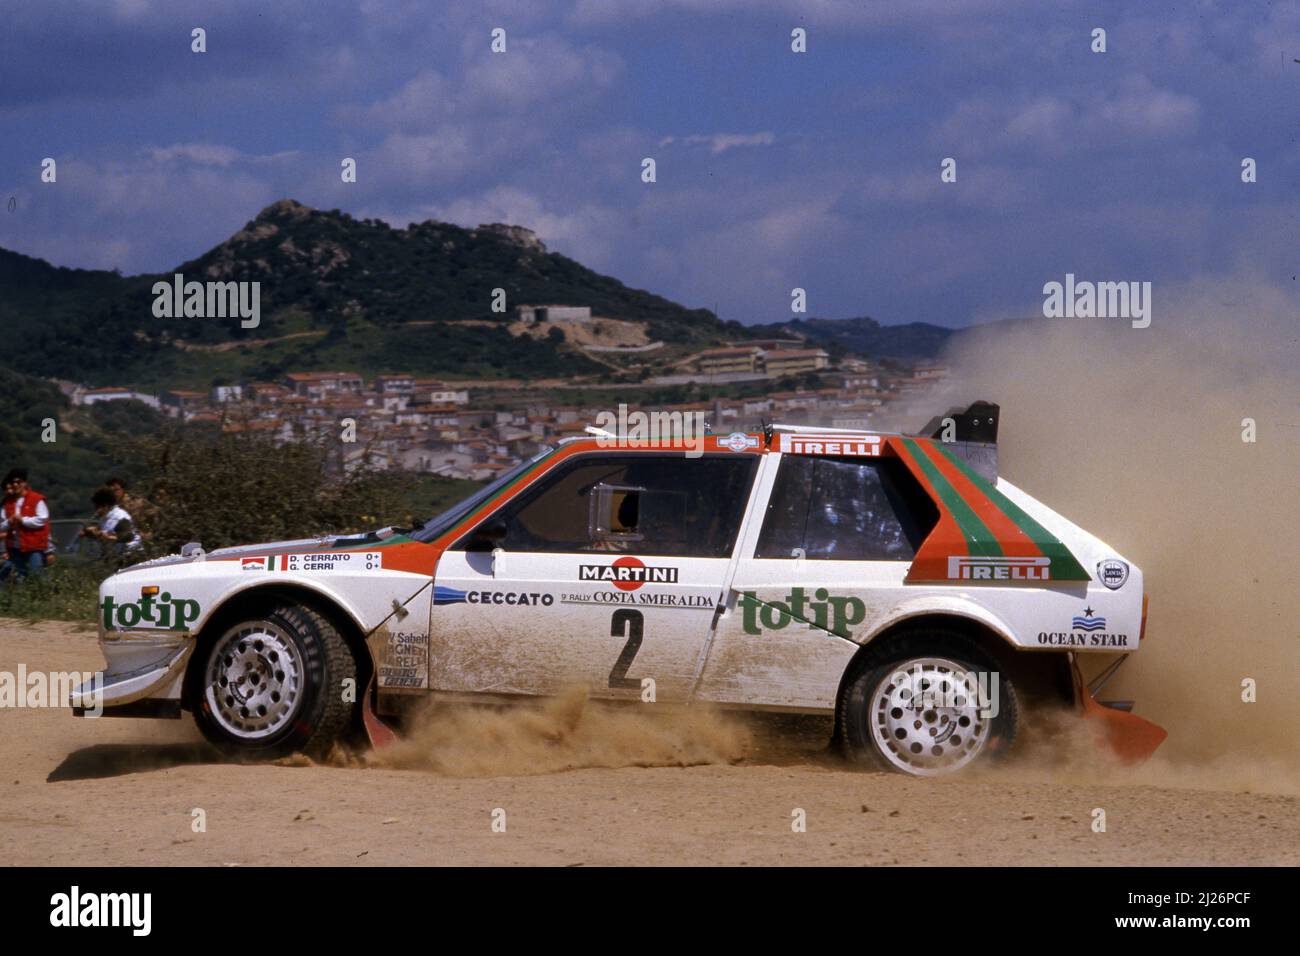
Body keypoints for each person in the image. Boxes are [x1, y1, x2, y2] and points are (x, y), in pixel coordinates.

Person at [0, 468, 51, 580]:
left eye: (18, 482)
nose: (16, 485)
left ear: (24, 483)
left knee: (36, 573)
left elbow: (42, 519)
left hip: (33, 545)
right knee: (20, 575)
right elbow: (2, 526)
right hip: (15, 547)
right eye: (13, 482)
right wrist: (10, 521)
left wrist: (23, 520)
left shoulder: (36, 499)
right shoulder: (8, 503)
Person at [80, 487, 142, 557]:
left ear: (105, 506)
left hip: (131, 556)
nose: (96, 510)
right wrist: (88, 532)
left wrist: (108, 537)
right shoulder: (105, 518)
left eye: (97, 507)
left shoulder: (119, 517)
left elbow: (128, 536)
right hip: (116, 556)